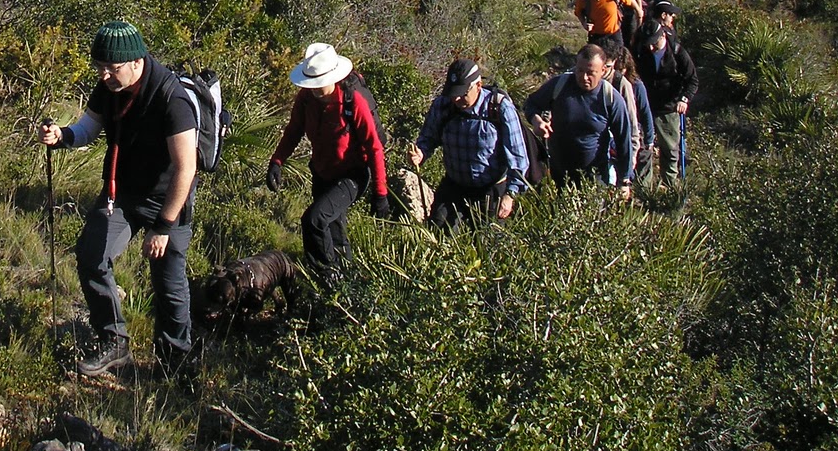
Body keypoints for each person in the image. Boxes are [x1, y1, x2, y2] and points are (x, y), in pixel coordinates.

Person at [39, 20, 197, 377]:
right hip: (122, 193)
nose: (105, 75)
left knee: (169, 284)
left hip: (168, 200)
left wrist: (163, 227)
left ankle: (176, 363)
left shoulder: (172, 99)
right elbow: (88, 128)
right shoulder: (109, 87)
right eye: (100, 67)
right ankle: (114, 341)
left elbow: (186, 169)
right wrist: (61, 136)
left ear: (137, 62)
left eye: (113, 68)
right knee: (92, 255)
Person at [267, 42, 390, 279]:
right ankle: (347, 282)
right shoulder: (306, 99)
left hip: (352, 175)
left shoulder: (353, 102)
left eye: (318, 83)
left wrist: (380, 193)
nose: (314, 89)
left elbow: (374, 148)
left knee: (314, 220)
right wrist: (277, 161)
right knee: (334, 230)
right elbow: (294, 131)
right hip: (322, 172)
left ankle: (326, 279)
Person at [407, 58, 530, 228]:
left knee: (487, 240)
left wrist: (510, 195)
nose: (456, 99)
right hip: (454, 186)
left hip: (490, 190)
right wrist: (420, 153)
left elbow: (518, 157)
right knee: (438, 229)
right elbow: (428, 137)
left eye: (463, 93)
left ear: (478, 86)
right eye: (453, 93)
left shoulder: (499, 108)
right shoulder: (443, 105)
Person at [523, 45, 634, 196]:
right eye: (580, 70)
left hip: (594, 179)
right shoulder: (560, 85)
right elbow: (531, 104)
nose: (584, 77)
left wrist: (624, 180)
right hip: (558, 176)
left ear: (603, 71)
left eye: (590, 73)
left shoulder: (610, 98)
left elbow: (623, 140)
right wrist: (536, 121)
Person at [632, 11, 698, 185]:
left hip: (669, 107)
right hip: (645, 106)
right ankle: (644, 188)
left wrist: (684, 99)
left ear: (662, 36)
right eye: (648, 44)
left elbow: (692, 80)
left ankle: (670, 187)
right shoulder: (640, 50)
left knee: (670, 149)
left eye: (654, 44)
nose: (651, 48)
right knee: (644, 148)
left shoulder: (677, 52)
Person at [608, 50, 656, 185]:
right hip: (616, 139)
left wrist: (649, 140)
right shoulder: (609, 85)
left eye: (621, 70)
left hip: (636, 134)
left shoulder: (636, 86)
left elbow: (645, 113)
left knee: (642, 176)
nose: (618, 73)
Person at [573, 0, 641, 58]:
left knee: (619, 57)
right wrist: (584, 23)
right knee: (596, 59)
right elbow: (578, 13)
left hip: (614, 33)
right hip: (596, 35)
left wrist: (639, 10)